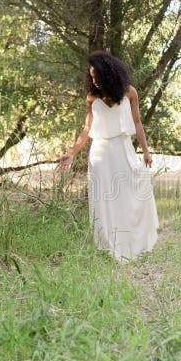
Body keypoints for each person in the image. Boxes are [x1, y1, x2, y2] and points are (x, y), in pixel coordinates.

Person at [57, 51, 159, 261]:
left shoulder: (129, 93)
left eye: (97, 76)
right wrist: (72, 153)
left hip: (122, 150)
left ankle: (131, 243)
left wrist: (146, 151)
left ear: (109, 73)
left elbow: (137, 123)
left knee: (128, 196)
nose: (94, 81)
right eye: (91, 77)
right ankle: (108, 246)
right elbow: (87, 128)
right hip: (100, 154)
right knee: (104, 201)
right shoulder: (92, 98)